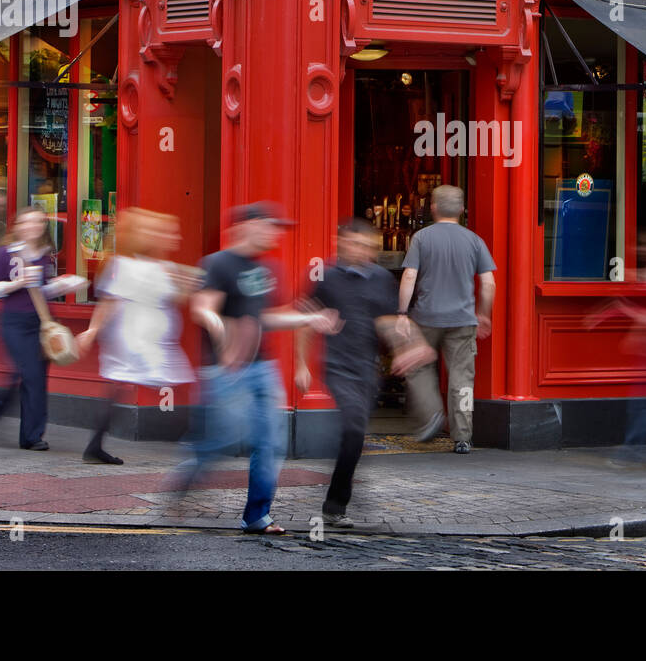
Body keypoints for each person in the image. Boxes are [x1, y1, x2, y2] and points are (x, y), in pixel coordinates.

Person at [188, 202, 341, 535]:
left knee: (271, 442)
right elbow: (203, 309)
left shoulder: (271, 268)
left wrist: (308, 318)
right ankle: (188, 475)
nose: (275, 233)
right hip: (225, 371)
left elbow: (269, 317)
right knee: (222, 440)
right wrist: (222, 335)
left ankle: (257, 515)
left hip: (262, 368)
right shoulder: (218, 264)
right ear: (250, 226)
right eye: (270, 226)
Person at [295, 219, 434, 527]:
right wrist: (301, 365)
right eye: (352, 243)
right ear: (341, 244)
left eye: (365, 245)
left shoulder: (381, 279)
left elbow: (386, 322)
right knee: (354, 429)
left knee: (354, 437)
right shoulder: (326, 278)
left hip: (366, 369)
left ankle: (337, 498)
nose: (359, 249)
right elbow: (306, 321)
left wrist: (407, 348)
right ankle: (335, 505)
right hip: (337, 367)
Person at [76, 208, 197, 465]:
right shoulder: (126, 265)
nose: (172, 237)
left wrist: (187, 284)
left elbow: (178, 298)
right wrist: (92, 331)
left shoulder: (165, 267)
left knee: (122, 386)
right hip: (136, 337)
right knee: (168, 379)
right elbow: (109, 302)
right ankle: (198, 435)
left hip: (154, 338)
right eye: (163, 232)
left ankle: (95, 445)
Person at [396, 185, 496, 454]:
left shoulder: (421, 238)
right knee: (462, 379)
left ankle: (431, 415)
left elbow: (408, 276)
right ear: (463, 210)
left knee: (417, 367)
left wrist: (402, 313)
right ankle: (463, 437)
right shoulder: (475, 241)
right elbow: (488, 283)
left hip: (426, 317)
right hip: (462, 320)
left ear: (433, 208)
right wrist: (484, 314)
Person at [0, 207, 87, 450]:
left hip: (41, 323)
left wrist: (62, 286)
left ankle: (32, 436)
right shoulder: (4, 254)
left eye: (38, 223)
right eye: (27, 222)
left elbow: (43, 291)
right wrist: (17, 283)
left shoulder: (45, 255)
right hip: (13, 321)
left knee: (36, 378)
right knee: (25, 372)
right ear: (17, 226)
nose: (33, 227)